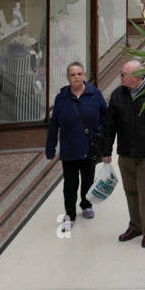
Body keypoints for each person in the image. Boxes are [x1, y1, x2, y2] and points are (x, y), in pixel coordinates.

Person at [101, 60, 145, 248]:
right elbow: (109, 125)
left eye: (123, 75)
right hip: (125, 152)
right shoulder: (118, 95)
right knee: (130, 192)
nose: (120, 78)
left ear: (138, 77)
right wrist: (106, 151)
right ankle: (134, 226)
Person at [46, 62, 107, 232]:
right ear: (68, 78)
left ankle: (86, 205)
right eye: (73, 75)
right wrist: (50, 148)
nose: (76, 77)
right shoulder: (62, 98)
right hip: (70, 149)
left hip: (89, 148)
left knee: (88, 180)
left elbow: (106, 116)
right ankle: (70, 214)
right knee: (70, 185)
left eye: (79, 74)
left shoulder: (94, 95)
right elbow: (54, 125)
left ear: (84, 75)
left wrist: (99, 133)